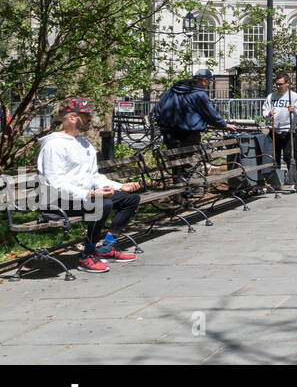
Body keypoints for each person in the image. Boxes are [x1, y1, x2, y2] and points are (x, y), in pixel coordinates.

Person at [37, 98, 143, 274]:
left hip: (85, 196)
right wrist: (90, 194)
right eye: (86, 115)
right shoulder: (54, 145)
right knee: (102, 204)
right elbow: (55, 183)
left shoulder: (84, 144)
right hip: (58, 201)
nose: (90, 119)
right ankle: (87, 255)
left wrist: (119, 186)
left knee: (130, 198)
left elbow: (94, 176)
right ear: (72, 118)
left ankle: (107, 248)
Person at [154, 68, 236, 154]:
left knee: (175, 161)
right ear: (203, 80)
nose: (208, 86)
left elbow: (158, 109)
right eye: (209, 82)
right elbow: (210, 114)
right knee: (191, 164)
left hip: (169, 134)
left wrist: (163, 124)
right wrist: (224, 124)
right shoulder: (199, 94)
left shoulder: (172, 90)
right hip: (188, 135)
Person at [261, 74, 297, 182]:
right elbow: (264, 111)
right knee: (273, 156)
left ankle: (292, 179)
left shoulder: (294, 97)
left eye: (281, 84)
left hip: (288, 130)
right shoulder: (271, 96)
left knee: (288, 155)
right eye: (277, 84)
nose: (278, 87)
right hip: (274, 129)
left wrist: (294, 110)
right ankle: (275, 179)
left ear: (287, 83)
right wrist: (268, 114)